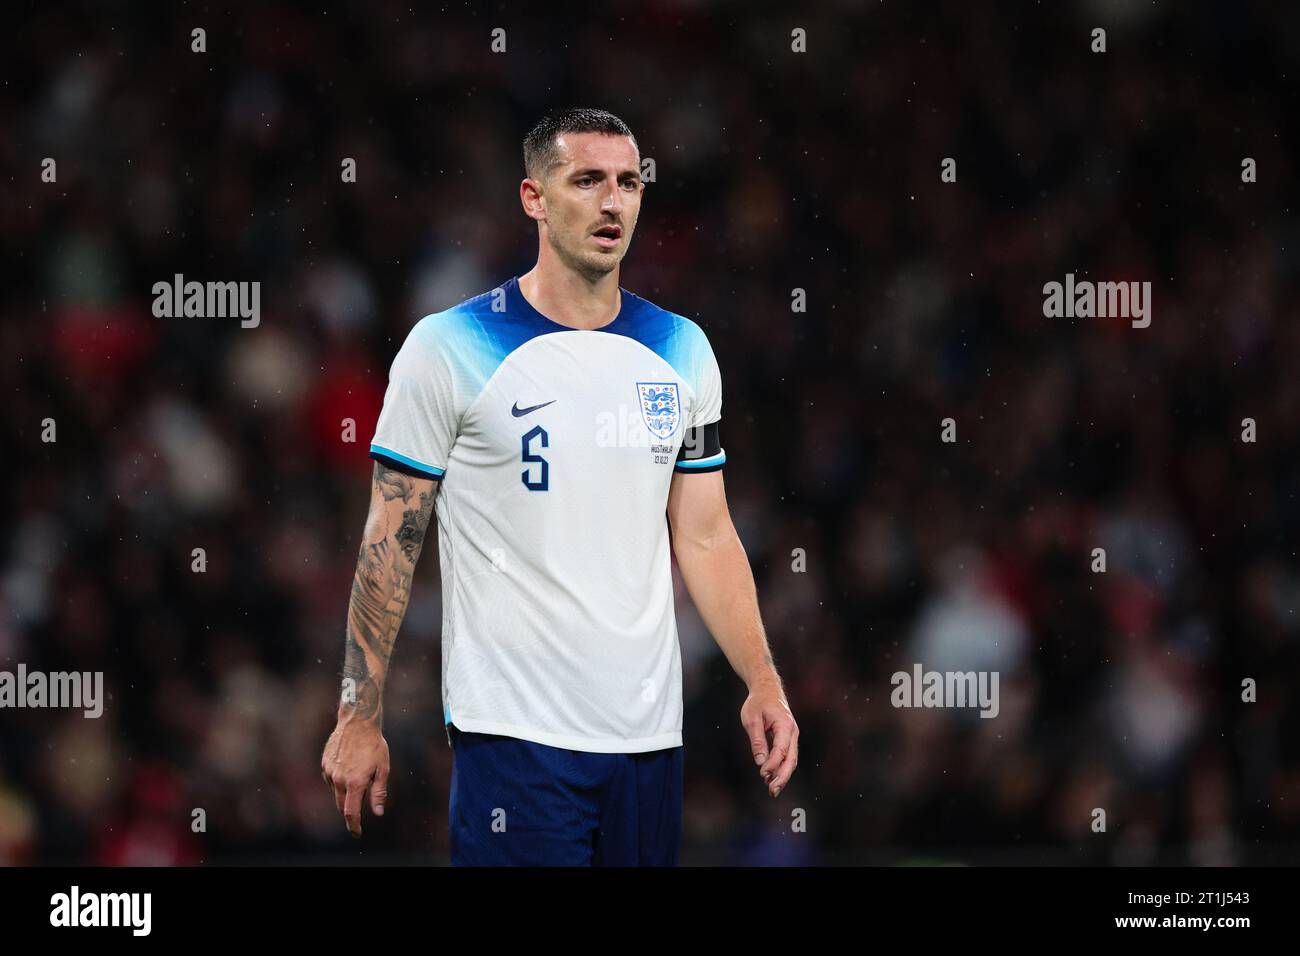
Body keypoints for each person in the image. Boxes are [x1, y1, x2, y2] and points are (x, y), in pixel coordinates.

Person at [321, 107, 798, 865]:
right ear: (533, 198)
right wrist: (358, 710)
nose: (613, 202)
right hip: (515, 744)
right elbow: (390, 539)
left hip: (648, 741)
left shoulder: (683, 351)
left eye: (628, 183)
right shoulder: (448, 349)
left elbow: (704, 534)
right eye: (586, 181)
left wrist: (762, 679)